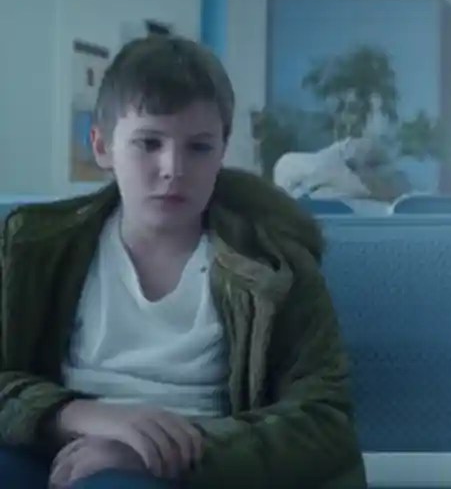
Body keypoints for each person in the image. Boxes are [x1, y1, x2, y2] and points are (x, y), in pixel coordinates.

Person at [0, 36, 365, 489]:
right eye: (148, 143)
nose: (173, 167)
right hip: (55, 449)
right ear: (102, 147)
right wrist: (78, 414)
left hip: (200, 469)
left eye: (199, 147)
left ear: (223, 151)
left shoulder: (273, 265)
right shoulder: (35, 246)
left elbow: (323, 423)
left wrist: (159, 451)